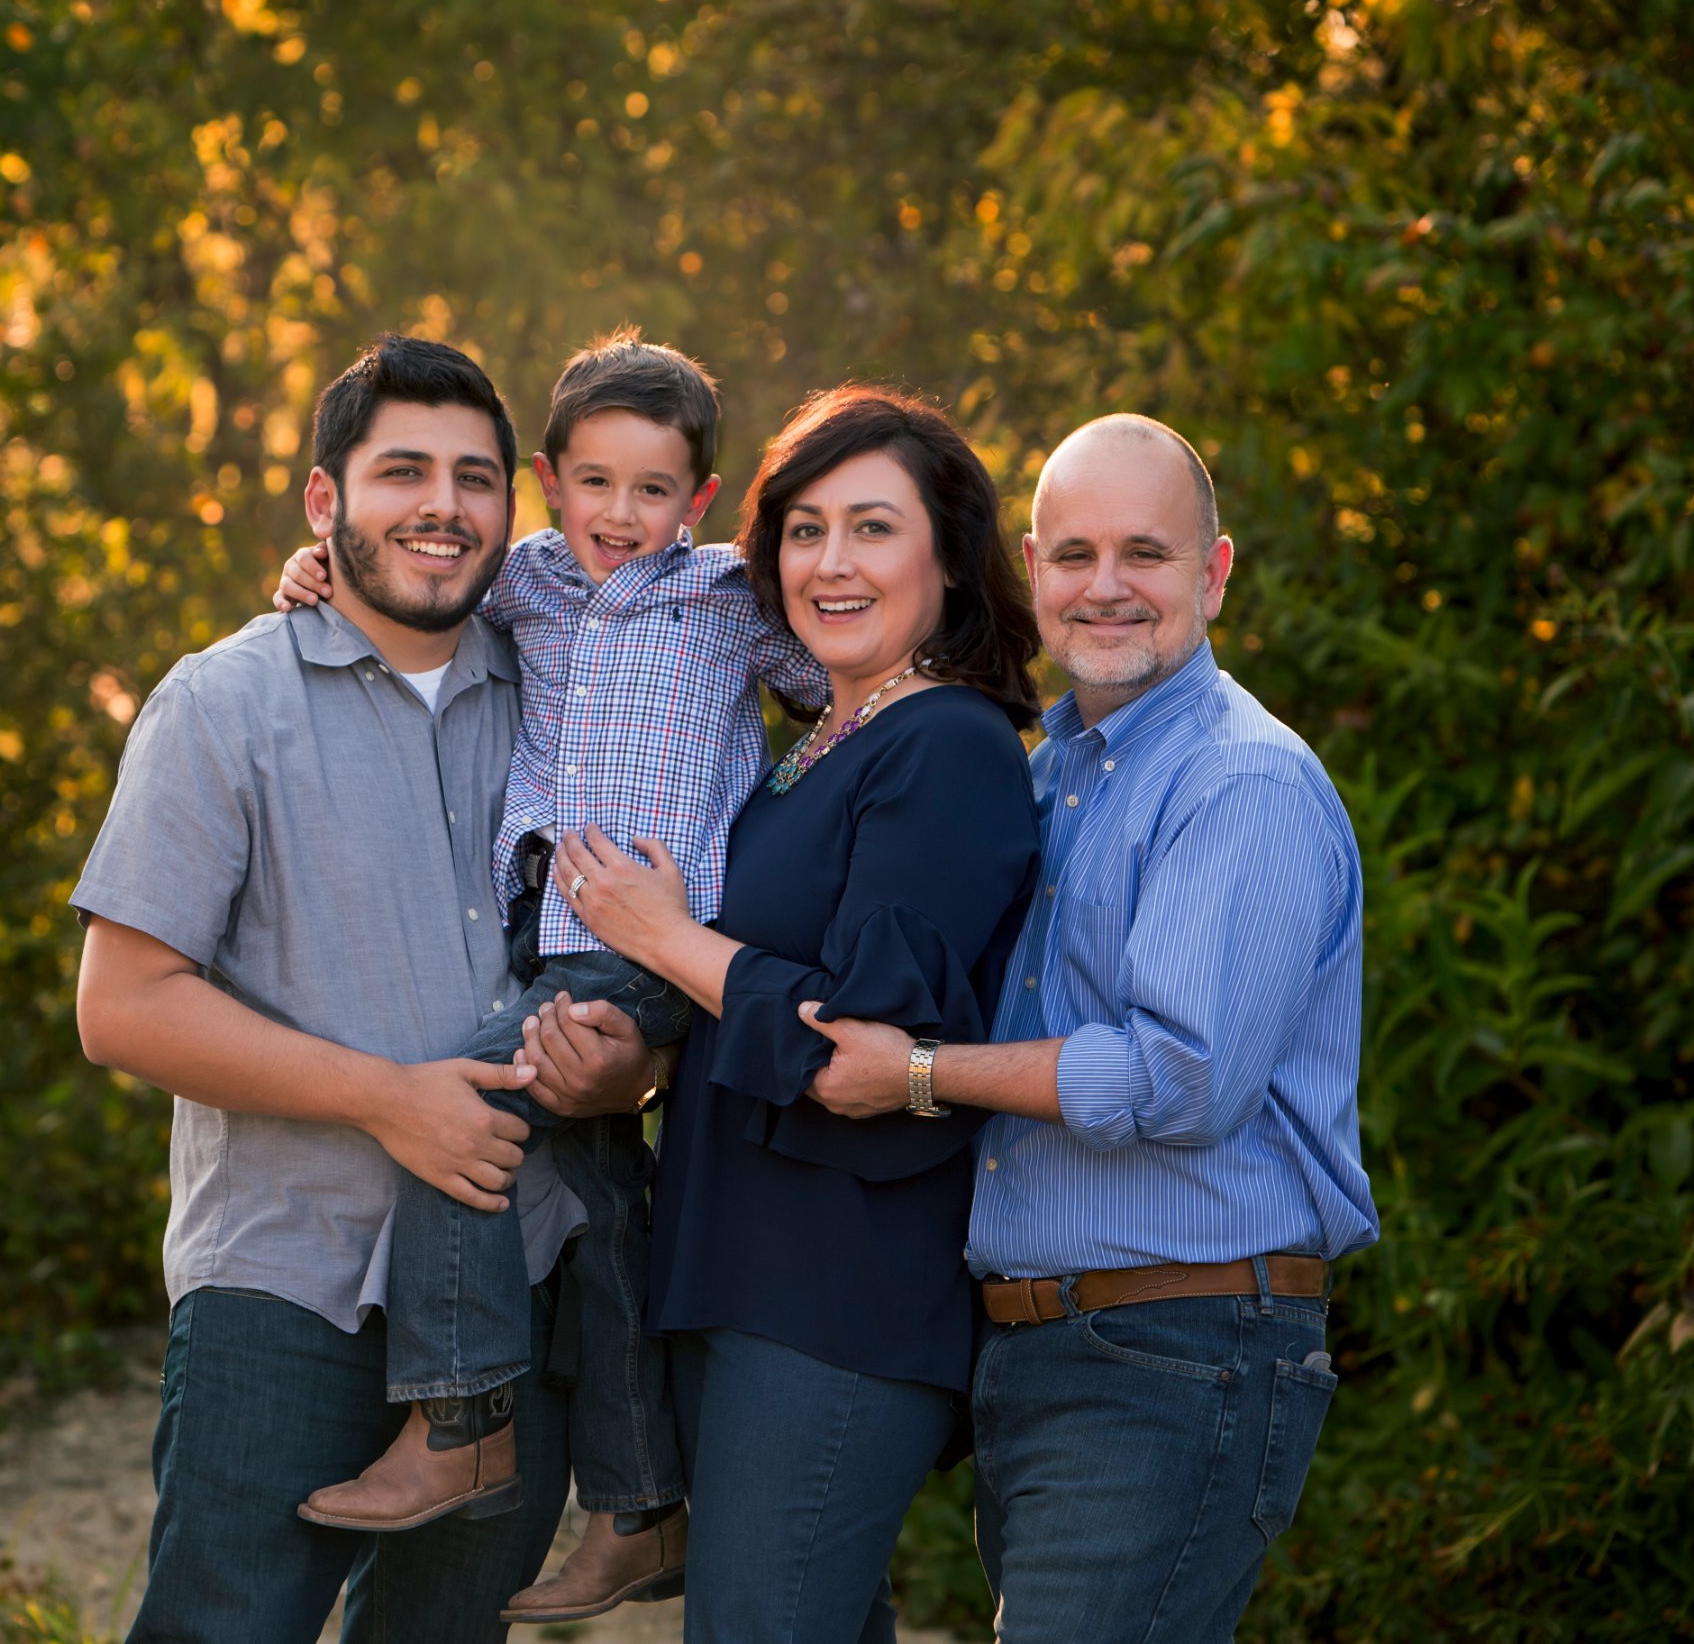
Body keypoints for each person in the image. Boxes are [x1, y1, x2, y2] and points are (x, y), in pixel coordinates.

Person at [71, 333, 658, 1644]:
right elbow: (121, 1004)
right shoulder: (222, 703)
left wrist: (632, 1069)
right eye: (401, 471)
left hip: (515, 1279)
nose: (441, 505)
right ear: (324, 501)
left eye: (472, 476)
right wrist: (387, 1100)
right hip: (288, 1285)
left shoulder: (565, 691)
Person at [271, 330, 830, 1624]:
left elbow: (835, 672)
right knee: (598, 1216)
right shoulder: (520, 579)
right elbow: (400, 584)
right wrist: (310, 570)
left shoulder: (728, 594)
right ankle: (641, 1508)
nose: (618, 516)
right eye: (592, 483)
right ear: (546, 479)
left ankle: (459, 1414)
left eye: (650, 491)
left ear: (694, 499)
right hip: (546, 933)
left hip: (649, 940)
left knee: (453, 1103)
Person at [797, 414, 1381, 1642]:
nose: (1105, 588)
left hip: (1179, 1345)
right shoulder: (1051, 773)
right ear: (1029, 569)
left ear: (1213, 574)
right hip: (1047, 1347)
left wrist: (916, 1073)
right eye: (1072, 555)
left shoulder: (1240, 781)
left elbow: (1181, 1077)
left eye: (1145, 554)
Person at [552, 385, 1045, 1642]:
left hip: (836, 1290)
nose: (830, 562)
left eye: (872, 528)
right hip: (733, 1257)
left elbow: (857, 1054)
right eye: (804, 528)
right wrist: (647, 1056)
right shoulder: (818, 736)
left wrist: (665, 939)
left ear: (946, 552)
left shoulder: (949, 745)